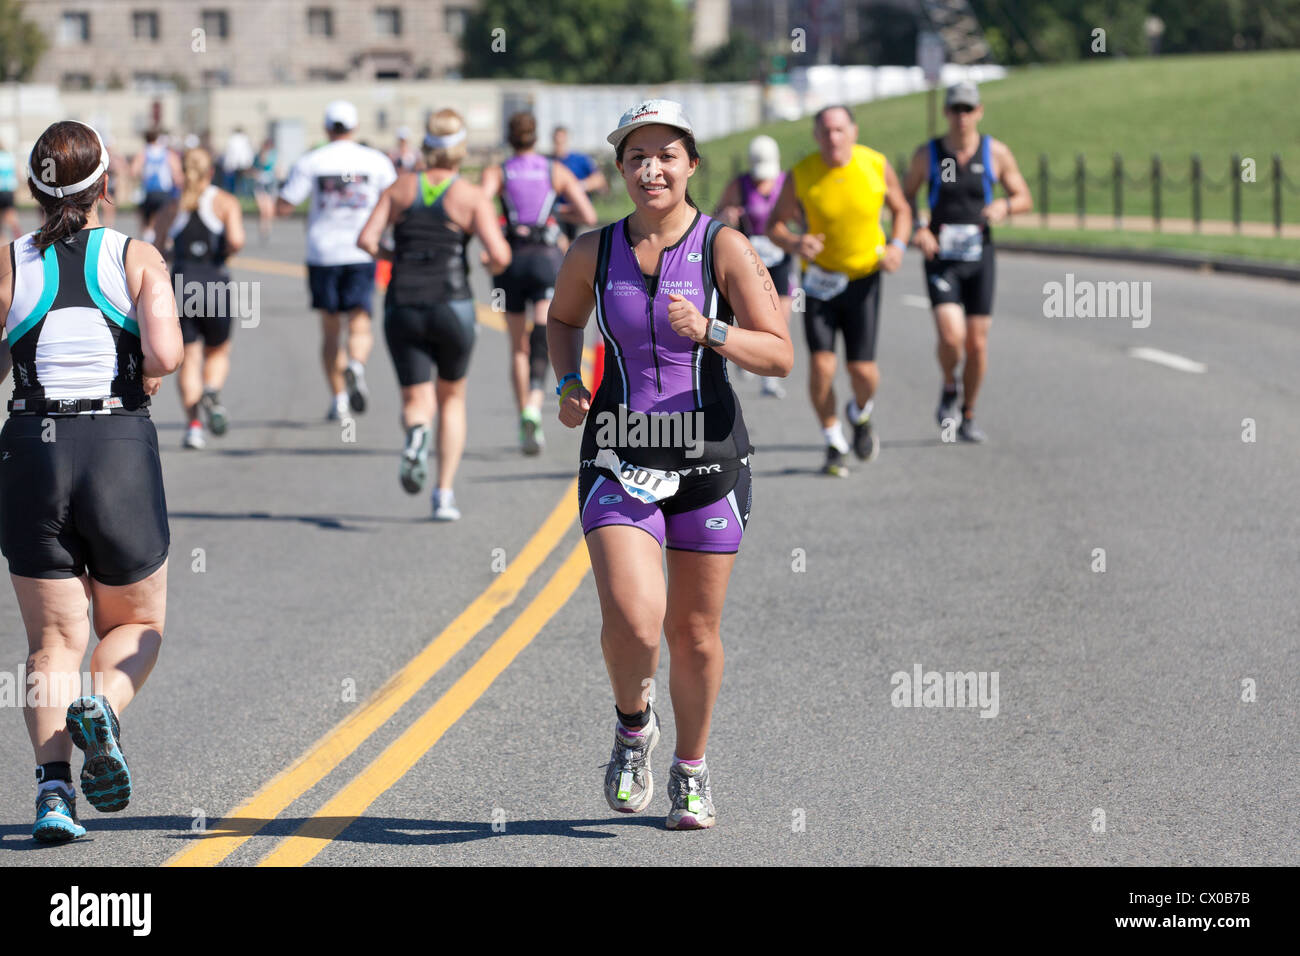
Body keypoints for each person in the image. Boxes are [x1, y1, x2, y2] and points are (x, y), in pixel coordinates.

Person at [547, 100, 792, 829]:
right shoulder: (594, 249)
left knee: (694, 632)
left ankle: (691, 768)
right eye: (635, 158)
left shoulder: (725, 246)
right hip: (617, 450)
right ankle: (632, 729)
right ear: (622, 169)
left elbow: (777, 349)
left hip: (709, 456)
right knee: (633, 618)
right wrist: (567, 382)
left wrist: (714, 330)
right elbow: (561, 321)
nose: (650, 169)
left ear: (690, 164)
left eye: (664, 155)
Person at [0, 120, 183, 844]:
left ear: (34, 191)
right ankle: (103, 703)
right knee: (135, 623)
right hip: (114, 442)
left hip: (32, 448)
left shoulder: (9, 262)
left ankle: (52, 796)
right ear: (108, 185)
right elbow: (164, 350)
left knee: (52, 639)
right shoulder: (136, 254)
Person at [358, 109, 511, 520]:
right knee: (453, 397)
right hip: (452, 303)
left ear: (426, 146)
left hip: (403, 302)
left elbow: (366, 239)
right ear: (461, 150)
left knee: (415, 396)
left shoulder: (400, 187)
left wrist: (395, 254)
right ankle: (443, 494)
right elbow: (500, 255)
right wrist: (485, 262)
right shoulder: (470, 195)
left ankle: (417, 433)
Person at [766, 105, 911, 477]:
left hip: (863, 279)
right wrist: (797, 244)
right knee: (822, 366)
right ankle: (833, 441)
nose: (833, 137)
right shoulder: (802, 173)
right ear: (816, 136)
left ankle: (859, 415)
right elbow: (774, 226)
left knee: (863, 372)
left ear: (853, 131)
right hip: (819, 282)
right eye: (826, 131)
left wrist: (897, 246)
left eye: (839, 130)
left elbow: (902, 209)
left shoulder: (875, 165)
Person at [903, 80, 1032, 443]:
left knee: (977, 344)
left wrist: (1004, 206)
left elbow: (1024, 196)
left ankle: (968, 411)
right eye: (955, 109)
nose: (961, 116)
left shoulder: (995, 152)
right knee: (951, 336)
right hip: (941, 256)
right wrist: (918, 227)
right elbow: (904, 195)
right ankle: (948, 384)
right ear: (946, 112)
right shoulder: (928, 154)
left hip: (980, 256)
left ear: (979, 112)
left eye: (968, 109)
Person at [481, 112, 596, 455]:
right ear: (536, 138)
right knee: (544, 335)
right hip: (547, 260)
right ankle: (535, 402)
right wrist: (557, 216)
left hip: (510, 261)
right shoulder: (553, 170)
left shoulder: (497, 171)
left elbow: (479, 205)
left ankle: (524, 418)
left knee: (517, 346)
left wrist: (497, 234)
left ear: (509, 138)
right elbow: (588, 215)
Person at [277, 101, 397, 420]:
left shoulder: (313, 161)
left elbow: (286, 204)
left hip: (323, 253)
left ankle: (339, 399)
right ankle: (356, 366)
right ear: (355, 127)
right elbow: (396, 201)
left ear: (328, 128)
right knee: (360, 322)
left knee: (330, 331)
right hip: (362, 249)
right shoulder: (376, 161)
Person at [154, 147, 246, 449]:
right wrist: (223, 252)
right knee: (218, 351)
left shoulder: (172, 206)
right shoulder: (224, 202)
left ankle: (193, 426)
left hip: (182, 284)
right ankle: (211, 389)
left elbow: (158, 246)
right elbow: (236, 241)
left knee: (190, 357)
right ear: (211, 171)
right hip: (214, 282)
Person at [714, 134, 794, 398]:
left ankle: (769, 379)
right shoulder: (740, 185)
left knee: (781, 318)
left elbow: (804, 214)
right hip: (749, 256)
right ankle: (746, 356)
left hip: (780, 255)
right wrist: (728, 216)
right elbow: (716, 214)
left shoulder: (786, 183)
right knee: (750, 315)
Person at [551, 125, 607, 243]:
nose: (559, 145)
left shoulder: (580, 160)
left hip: (578, 215)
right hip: (558, 214)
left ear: (567, 141)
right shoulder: (549, 163)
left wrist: (579, 187)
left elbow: (599, 180)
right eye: (557, 142)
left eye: (562, 141)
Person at [129, 129, 182, 244]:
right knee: (163, 220)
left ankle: (148, 239)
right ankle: (161, 242)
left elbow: (133, 171)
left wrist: (141, 177)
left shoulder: (144, 153)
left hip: (149, 192)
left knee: (146, 220)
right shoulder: (168, 153)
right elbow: (177, 174)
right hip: (164, 192)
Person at [251, 137, 279, 243]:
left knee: (269, 211)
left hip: (270, 185)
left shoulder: (273, 155)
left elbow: (272, 166)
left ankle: (267, 230)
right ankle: (263, 230)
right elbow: (256, 167)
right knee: (263, 210)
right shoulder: (257, 156)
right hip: (260, 185)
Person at [0, 142, 20, 241]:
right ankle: (18, 236)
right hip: (9, 190)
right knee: (11, 214)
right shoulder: (9, 156)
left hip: (1, 189)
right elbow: (17, 172)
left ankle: (2, 240)